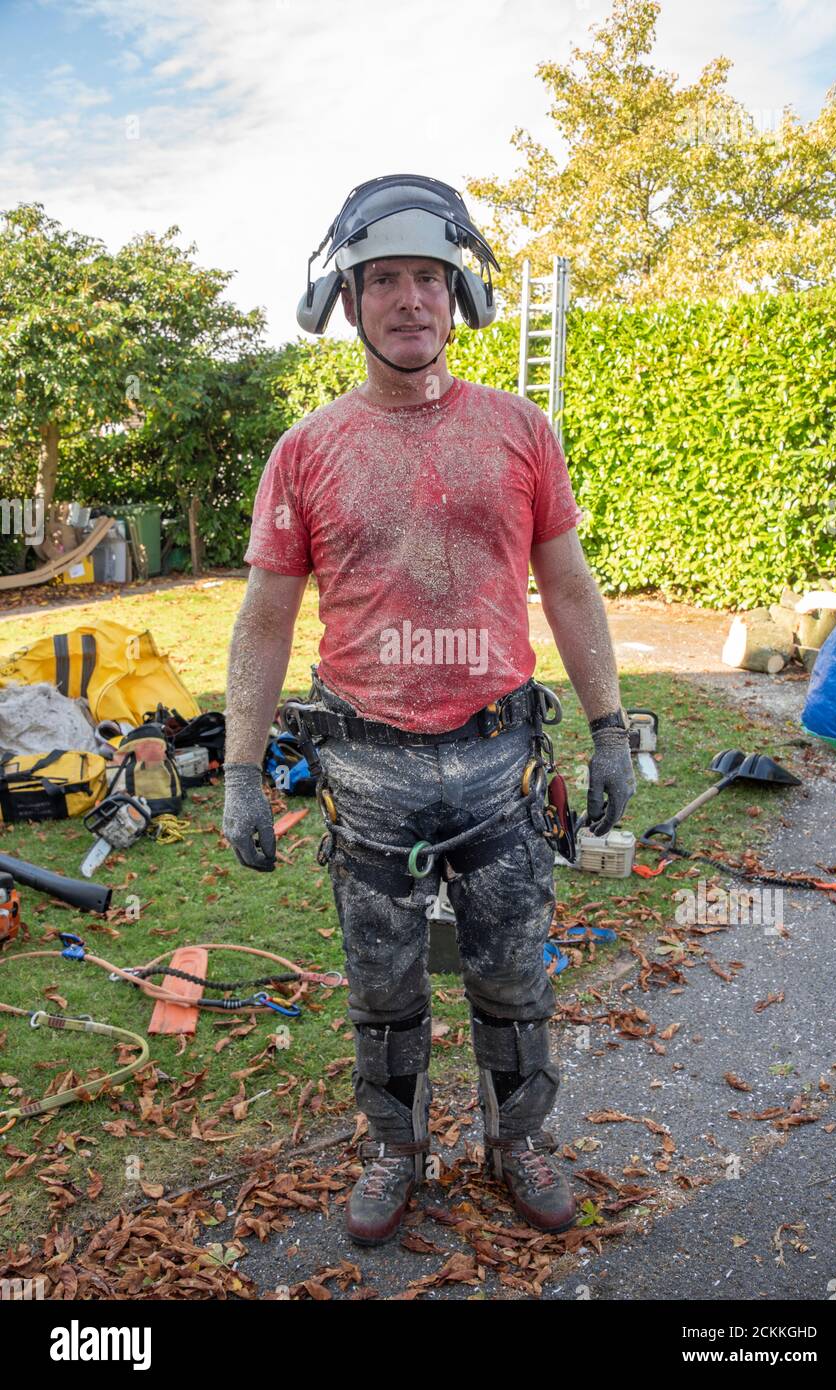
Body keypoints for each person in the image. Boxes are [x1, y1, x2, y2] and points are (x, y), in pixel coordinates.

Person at [222, 174, 635, 1247]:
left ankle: (519, 1142)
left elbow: (570, 585)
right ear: (347, 302)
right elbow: (265, 621)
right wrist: (239, 770)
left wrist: (605, 728)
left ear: (461, 297)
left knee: (510, 976)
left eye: (429, 279)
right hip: (366, 777)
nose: (410, 300)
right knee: (386, 989)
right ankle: (396, 1150)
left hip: (500, 764)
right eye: (384, 280)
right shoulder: (305, 451)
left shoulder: (520, 430)